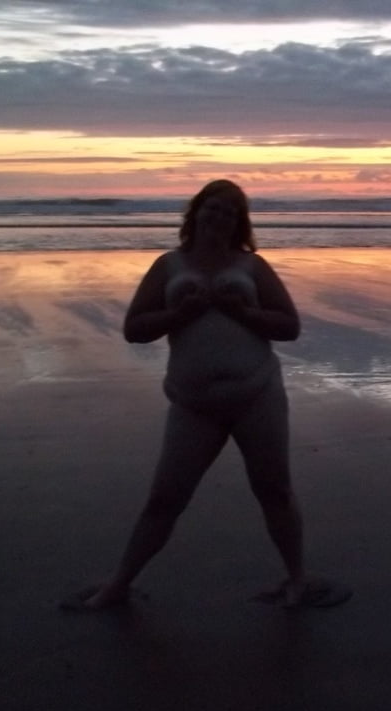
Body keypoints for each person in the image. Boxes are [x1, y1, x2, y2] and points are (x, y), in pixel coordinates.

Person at [64, 179, 310, 610]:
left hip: (257, 395)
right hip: (193, 404)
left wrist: (244, 312)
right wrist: (179, 313)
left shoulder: (253, 266)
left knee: (275, 491)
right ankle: (118, 585)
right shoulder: (168, 266)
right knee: (164, 499)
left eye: (230, 213)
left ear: (240, 223)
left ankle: (298, 579)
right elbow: (134, 329)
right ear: (195, 212)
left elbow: (289, 326)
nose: (219, 217)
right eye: (212, 208)